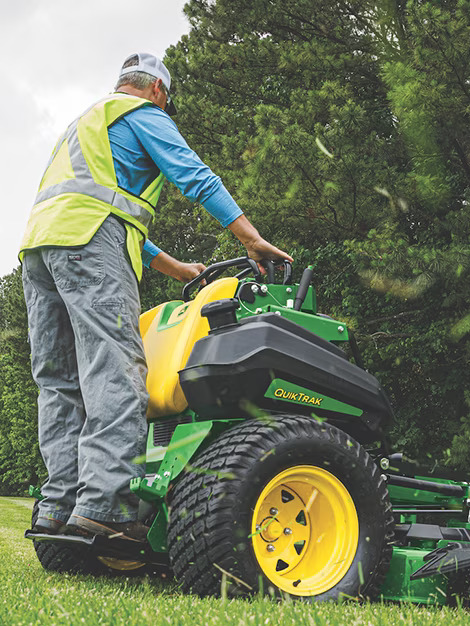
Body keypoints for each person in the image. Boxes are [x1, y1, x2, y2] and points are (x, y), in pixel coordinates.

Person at [18, 52, 290, 543]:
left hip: (39, 251)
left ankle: (58, 506)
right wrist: (250, 239)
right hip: (89, 243)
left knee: (59, 381)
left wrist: (179, 269)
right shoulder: (144, 115)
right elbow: (195, 176)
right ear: (159, 91)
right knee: (115, 367)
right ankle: (106, 507)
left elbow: (103, 208)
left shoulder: (85, 125)